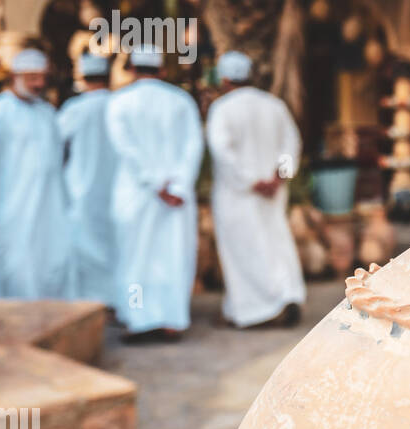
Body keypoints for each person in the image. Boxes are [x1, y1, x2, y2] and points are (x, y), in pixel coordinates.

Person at [105, 45, 203, 340]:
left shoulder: (119, 102)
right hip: (177, 197)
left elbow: (126, 149)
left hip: (137, 195)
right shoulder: (182, 101)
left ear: (131, 69)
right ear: (162, 70)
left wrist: (155, 183)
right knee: (174, 257)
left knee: (135, 260)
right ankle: (172, 320)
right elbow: (193, 145)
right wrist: (178, 185)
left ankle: (138, 320)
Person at [205, 50, 305, 327]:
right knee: (276, 242)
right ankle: (287, 295)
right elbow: (291, 144)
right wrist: (278, 177)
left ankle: (256, 310)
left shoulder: (222, 109)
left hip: (238, 194)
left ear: (224, 79)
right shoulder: (274, 105)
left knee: (244, 250)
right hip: (272, 193)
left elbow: (222, 151)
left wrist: (251, 181)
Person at [0, 47, 70, 298]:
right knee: (14, 270)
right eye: (32, 78)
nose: (39, 84)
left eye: (42, 78)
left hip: (49, 209)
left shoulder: (47, 113)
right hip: (9, 211)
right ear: (15, 77)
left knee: (50, 266)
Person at [58, 54, 118, 306]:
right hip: (119, 189)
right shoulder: (121, 104)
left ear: (82, 77)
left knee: (85, 248)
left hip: (80, 188)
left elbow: (55, 144)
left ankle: (90, 304)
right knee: (117, 248)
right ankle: (118, 303)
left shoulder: (74, 109)